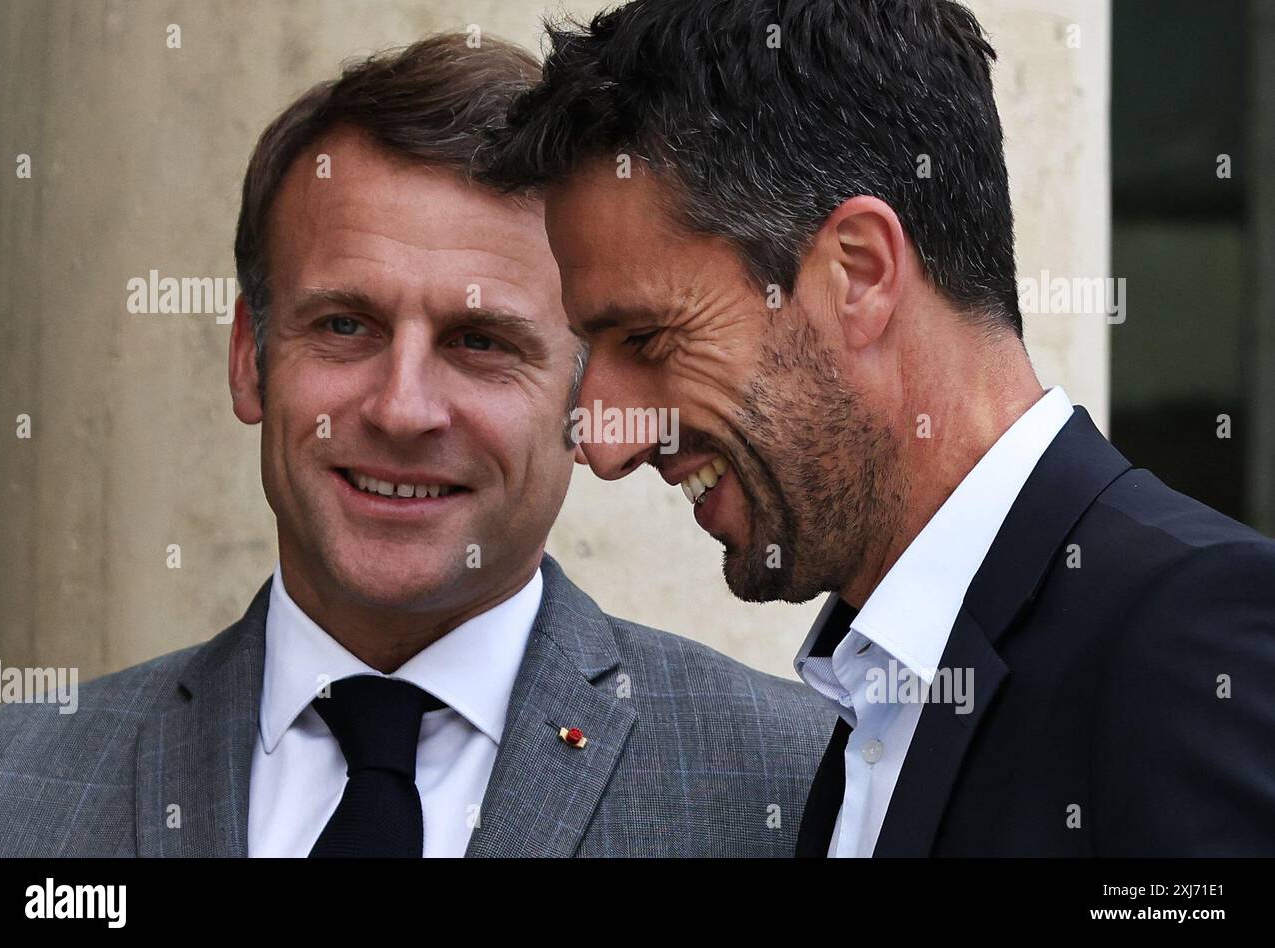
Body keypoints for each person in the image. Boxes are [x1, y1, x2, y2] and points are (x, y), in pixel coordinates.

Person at [0, 33, 832, 858]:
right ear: (249, 360)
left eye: (480, 342)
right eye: (345, 325)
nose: (402, 408)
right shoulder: (2, 790)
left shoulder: (797, 793)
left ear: (586, 398)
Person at [483, 0, 1275, 855]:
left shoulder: (1193, 636)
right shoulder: (883, 692)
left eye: (645, 338)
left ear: (859, 273)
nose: (604, 444)